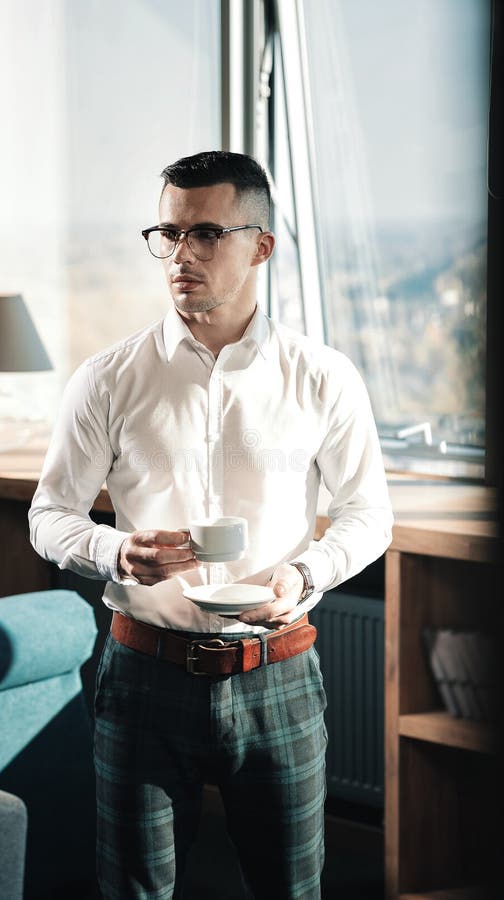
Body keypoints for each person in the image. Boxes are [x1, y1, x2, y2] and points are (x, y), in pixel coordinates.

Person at [29, 150, 393, 900]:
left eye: (205, 234)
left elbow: (367, 515)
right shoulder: (107, 378)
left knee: (290, 889)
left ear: (259, 245)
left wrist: (304, 573)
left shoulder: (324, 377)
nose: (180, 255)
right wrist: (114, 550)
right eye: (168, 234)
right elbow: (49, 516)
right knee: (132, 889)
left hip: (279, 671)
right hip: (142, 674)